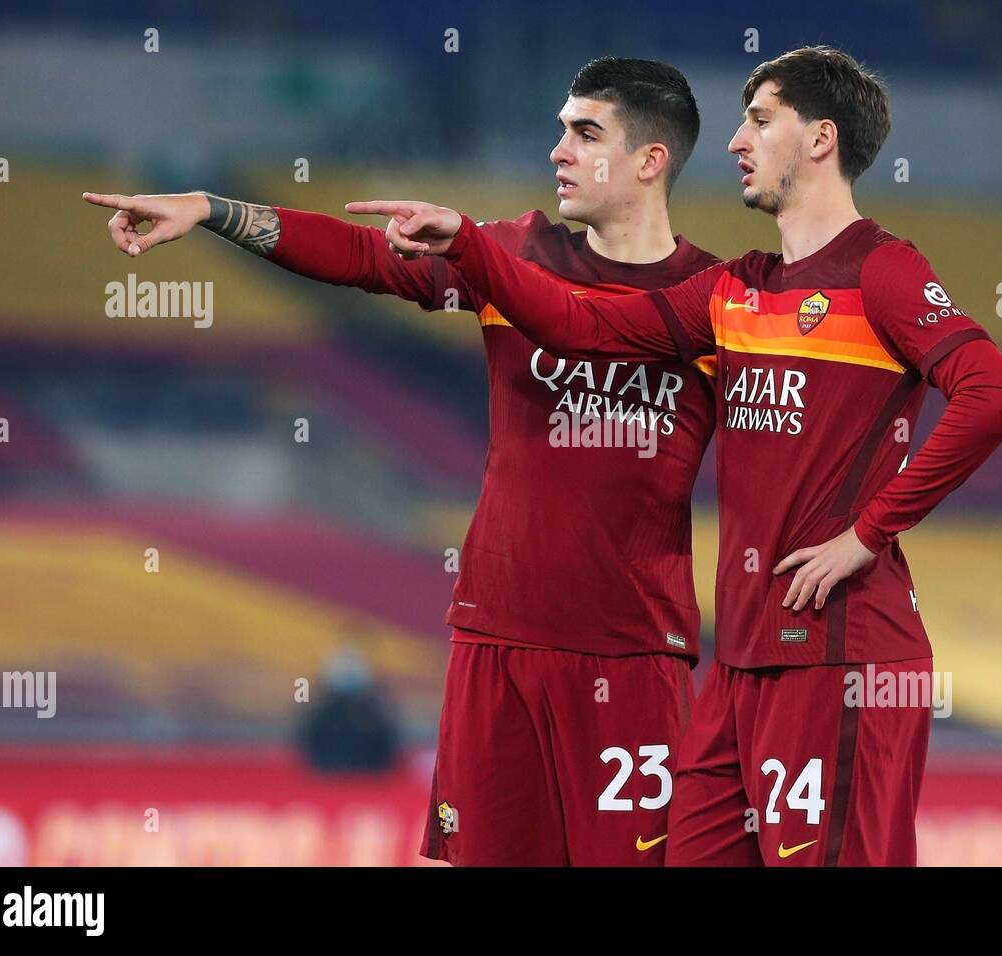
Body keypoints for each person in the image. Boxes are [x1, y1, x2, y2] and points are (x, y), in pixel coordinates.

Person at [373, 45, 1002, 866]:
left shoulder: (883, 270)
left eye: (758, 120)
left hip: (844, 655)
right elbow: (586, 326)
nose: (734, 142)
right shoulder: (736, 287)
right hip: (741, 665)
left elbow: (994, 395)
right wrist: (470, 246)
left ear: (820, 139)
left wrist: (867, 534)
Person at [83, 57, 719, 866]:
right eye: (559, 128)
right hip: (501, 641)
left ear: (650, 160)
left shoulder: (717, 301)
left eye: (584, 132)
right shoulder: (515, 250)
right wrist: (211, 209)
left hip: (634, 655)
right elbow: (358, 257)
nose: (557, 149)